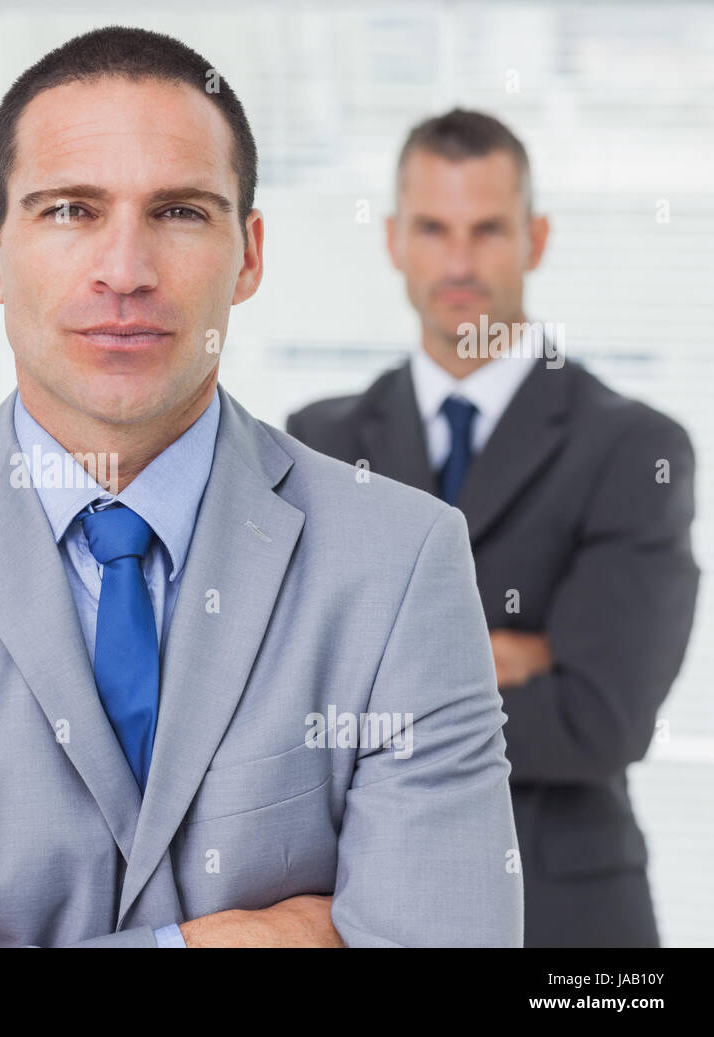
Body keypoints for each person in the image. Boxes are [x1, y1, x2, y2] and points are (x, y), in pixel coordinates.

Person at [0, 27, 522, 948]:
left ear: (251, 252)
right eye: (70, 209)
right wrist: (216, 942)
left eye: (180, 212)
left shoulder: (400, 563)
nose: (124, 271)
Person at [286, 109, 700, 947]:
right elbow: (283, 700)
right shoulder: (316, 441)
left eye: (488, 230)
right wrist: (509, 652)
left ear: (536, 239)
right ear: (395, 240)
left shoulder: (633, 446)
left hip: (572, 926)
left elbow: (597, 718)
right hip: (358, 910)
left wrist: (383, 672)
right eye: (435, 229)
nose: (461, 262)